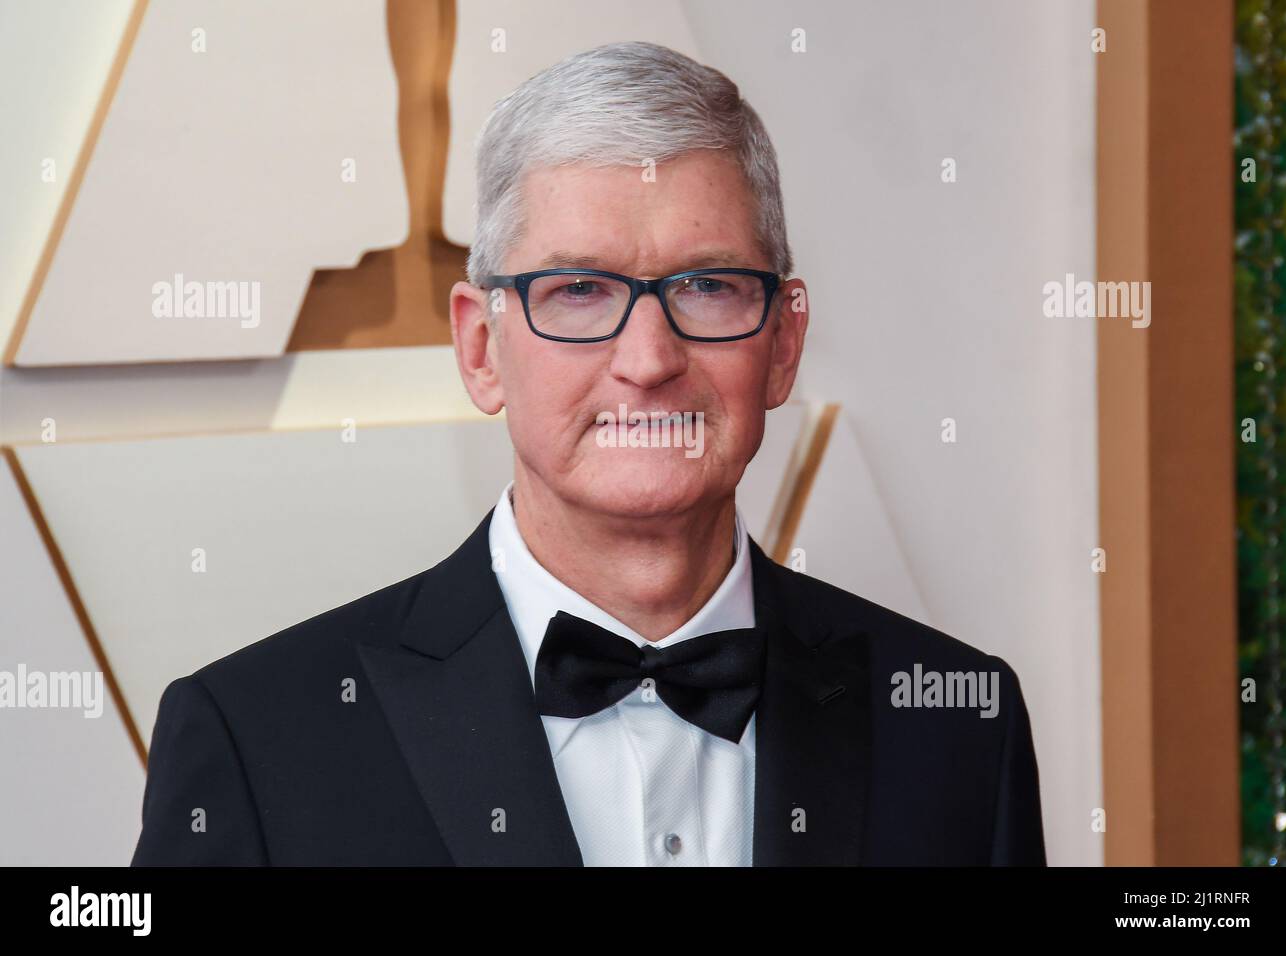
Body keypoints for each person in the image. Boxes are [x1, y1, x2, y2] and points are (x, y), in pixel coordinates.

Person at [132, 40, 1046, 867]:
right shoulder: (258, 738)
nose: (648, 360)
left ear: (784, 344)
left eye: (708, 286)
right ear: (481, 350)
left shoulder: (962, 724)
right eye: (576, 290)